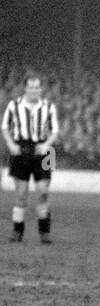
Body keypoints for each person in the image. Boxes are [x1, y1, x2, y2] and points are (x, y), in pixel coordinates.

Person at [3, 73, 60, 245]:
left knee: (43, 191)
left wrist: (47, 144)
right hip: (21, 149)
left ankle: (45, 232)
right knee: (21, 194)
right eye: (31, 87)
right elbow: (5, 127)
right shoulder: (14, 105)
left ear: (40, 89)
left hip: (46, 151)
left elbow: (55, 131)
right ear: (25, 88)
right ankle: (17, 231)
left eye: (37, 87)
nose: (34, 90)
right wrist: (11, 145)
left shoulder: (49, 106)